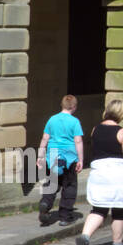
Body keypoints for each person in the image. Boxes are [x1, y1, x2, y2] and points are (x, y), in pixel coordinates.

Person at [76, 99, 123, 245]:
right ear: (121, 114)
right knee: (119, 210)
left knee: (98, 209)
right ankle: (117, 244)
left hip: (98, 173)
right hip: (117, 173)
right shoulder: (122, 132)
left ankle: (85, 236)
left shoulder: (95, 130)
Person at [37, 94, 84, 226]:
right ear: (74, 107)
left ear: (62, 105)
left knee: (52, 183)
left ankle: (45, 203)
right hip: (69, 157)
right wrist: (80, 159)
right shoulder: (75, 122)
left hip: (53, 156)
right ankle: (65, 216)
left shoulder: (52, 119)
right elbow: (78, 141)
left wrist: (40, 156)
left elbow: (45, 138)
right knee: (69, 185)